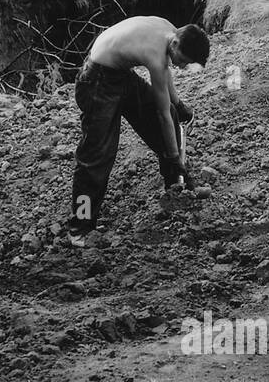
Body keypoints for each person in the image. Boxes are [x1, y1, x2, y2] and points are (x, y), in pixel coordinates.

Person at [67, 17, 209, 246]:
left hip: (119, 75)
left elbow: (165, 79)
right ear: (175, 45)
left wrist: (179, 104)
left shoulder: (170, 31)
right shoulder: (155, 52)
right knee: (95, 159)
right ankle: (80, 226)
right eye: (182, 60)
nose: (181, 66)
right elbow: (162, 114)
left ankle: (177, 189)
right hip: (96, 82)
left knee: (171, 114)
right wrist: (174, 157)